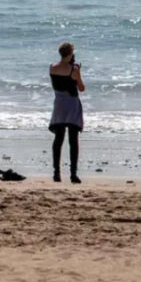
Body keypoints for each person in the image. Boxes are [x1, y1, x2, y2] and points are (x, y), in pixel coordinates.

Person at [49, 42, 85, 183]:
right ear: (70, 54)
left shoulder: (52, 67)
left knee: (58, 139)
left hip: (59, 104)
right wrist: (77, 76)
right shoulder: (74, 69)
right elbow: (81, 88)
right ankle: (73, 174)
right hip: (72, 105)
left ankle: (56, 173)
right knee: (73, 141)